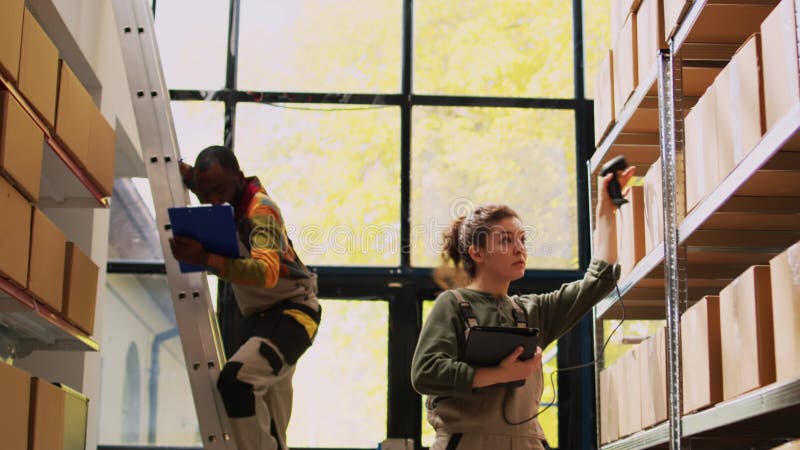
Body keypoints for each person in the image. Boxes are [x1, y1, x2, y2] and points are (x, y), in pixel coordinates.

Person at [411, 168, 634, 450]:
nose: (520, 249)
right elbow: (426, 372)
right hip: (466, 443)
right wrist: (502, 374)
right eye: (505, 240)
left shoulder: (533, 311)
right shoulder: (452, 304)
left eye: (522, 240)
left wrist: (607, 211)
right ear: (476, 253)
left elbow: (598, 281)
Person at [169, 145, 320, 450]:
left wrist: (206, 258)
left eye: (221, 189)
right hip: (258, 321)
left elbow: (267, 272)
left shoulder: (261, 210)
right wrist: (182, 174)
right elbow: (207, 187)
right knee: (274, 430)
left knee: (236, 382)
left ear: (238, 177)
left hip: (292, 315)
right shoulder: (228, 205)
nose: (214, 200)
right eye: (205, 193)